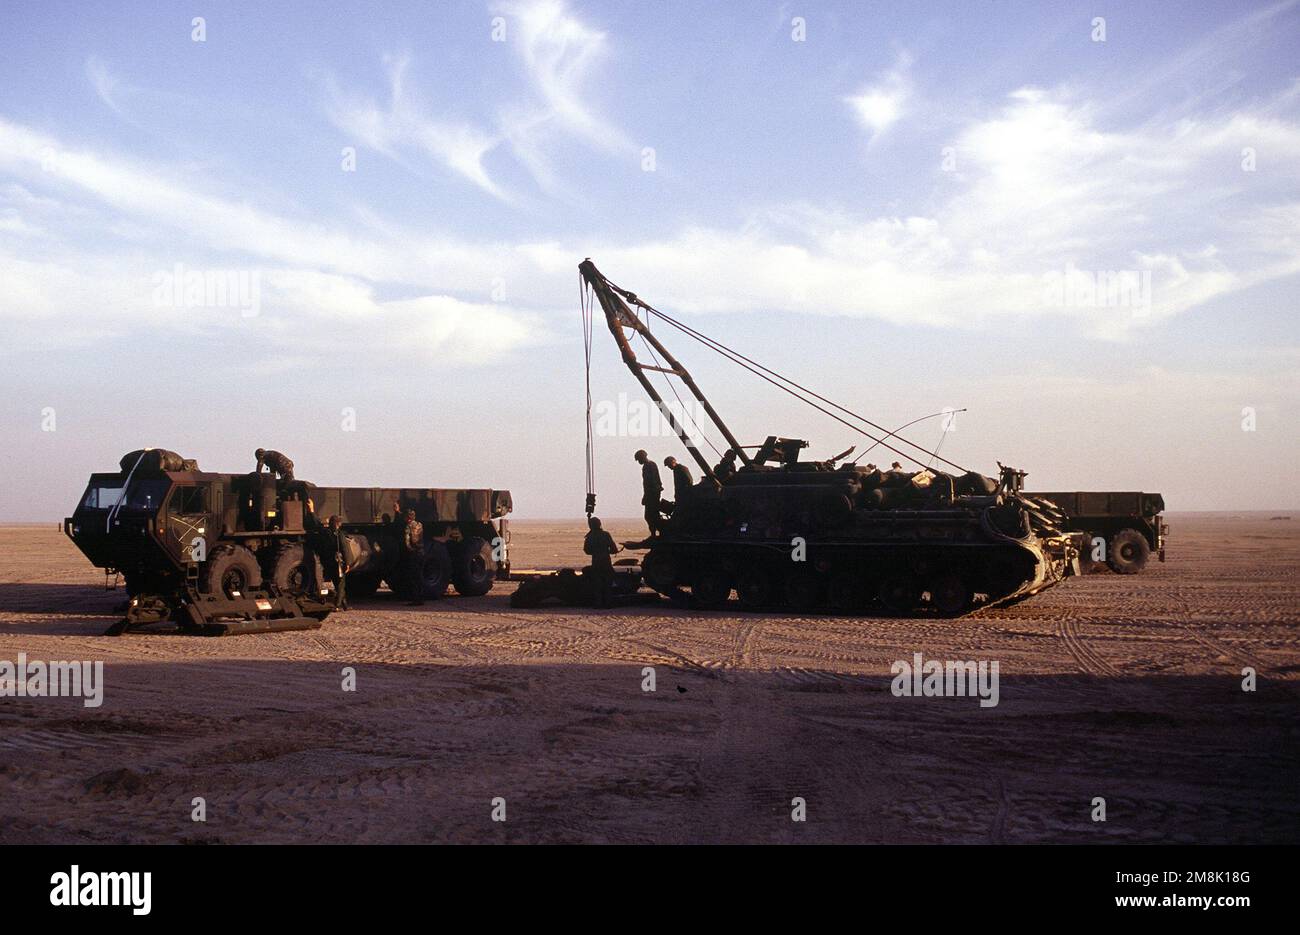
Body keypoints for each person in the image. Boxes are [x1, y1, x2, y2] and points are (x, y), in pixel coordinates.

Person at [583, 516, 620, 608]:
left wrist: (595, 552)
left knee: (597, 583)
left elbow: (586, 550)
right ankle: (608, 603)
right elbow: (614, 549)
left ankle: (598, 603)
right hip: (606, 562)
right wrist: (607, 551)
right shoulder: (606, 534)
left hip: (596, 562)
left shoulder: (590, 537)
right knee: (608, 583)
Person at [320, 515, 350, 610]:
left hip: (329, 562)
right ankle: (337, 605)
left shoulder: (325, 533)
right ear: (338, 524)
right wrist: (348, 563)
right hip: (338, 563)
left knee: (337, 583)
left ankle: (345, 605)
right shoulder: (339, 534)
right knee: (341, 584)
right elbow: (344, 549)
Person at [635, 449, 663, 537]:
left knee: (650, 516)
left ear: (642, 457)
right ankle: (656, 533)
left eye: (639, 459)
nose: (638, 461)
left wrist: (647, 496)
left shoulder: (649, 465)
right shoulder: (649, 465)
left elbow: (650, 483)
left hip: (652, 495)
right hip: (652, 494)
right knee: (652, 515)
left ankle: (656, 533)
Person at [400, 508, 425, 606]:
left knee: (414, 577)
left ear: (407, 518)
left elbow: (407, 542)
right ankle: (421, 598)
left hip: (414, 553)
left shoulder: (408, 527)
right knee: (419, 576)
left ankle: (415, 599)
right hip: (421, 551)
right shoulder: (419, 525)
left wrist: (410, 550)